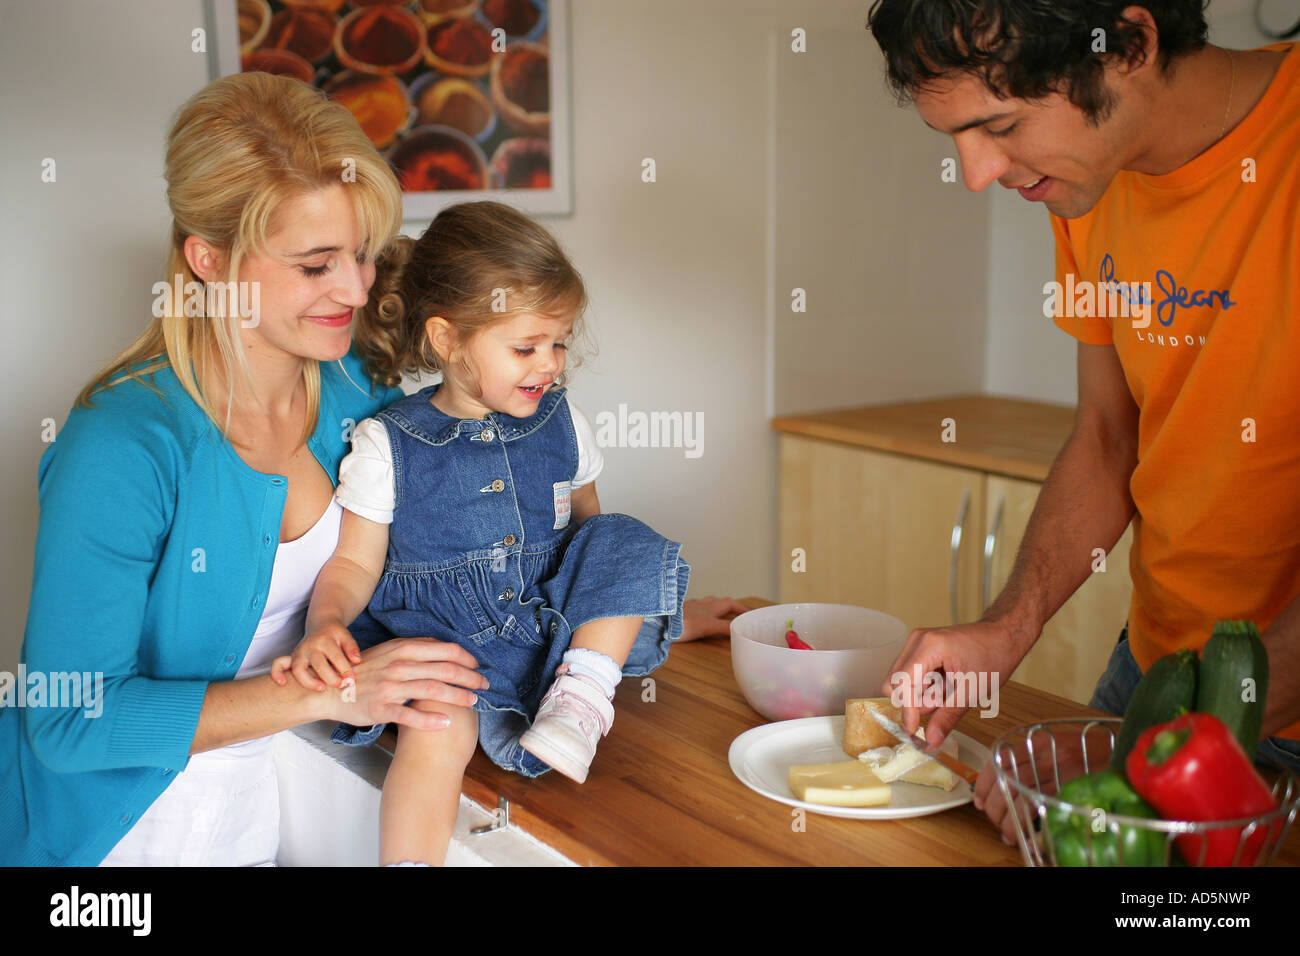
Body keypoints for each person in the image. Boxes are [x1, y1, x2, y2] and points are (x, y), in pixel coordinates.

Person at [0, 70, 744, 867]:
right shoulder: (121, 444)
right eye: (316, 264)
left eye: (361, 254)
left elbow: (490, 521)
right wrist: (328, 690)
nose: (355, 289)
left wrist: (631, 605)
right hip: (102, 847)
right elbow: (71, 720)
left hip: (260, 814)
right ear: (208, 260)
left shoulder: (360, 391)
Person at [865, 0, 1300, 839]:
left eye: (1000, 125)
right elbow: (1108, 434)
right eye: (954, 138)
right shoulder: (1086, 183)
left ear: (1128, 44)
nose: (977, 173)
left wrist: (1157, 753)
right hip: (1157, 673)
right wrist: (1006, 626)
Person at [270, 201, 696, 866]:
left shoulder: (564, 422)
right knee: (437, 726)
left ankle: (581, 699)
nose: (550, 363)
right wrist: (326, 622)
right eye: (526, 347)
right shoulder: (391, 443)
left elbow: (596, 544)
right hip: (446, 649)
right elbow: (354, 564)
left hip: (547, 640)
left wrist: (667, 613)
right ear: (447, 341)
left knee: (625, 534)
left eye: (559, 341)